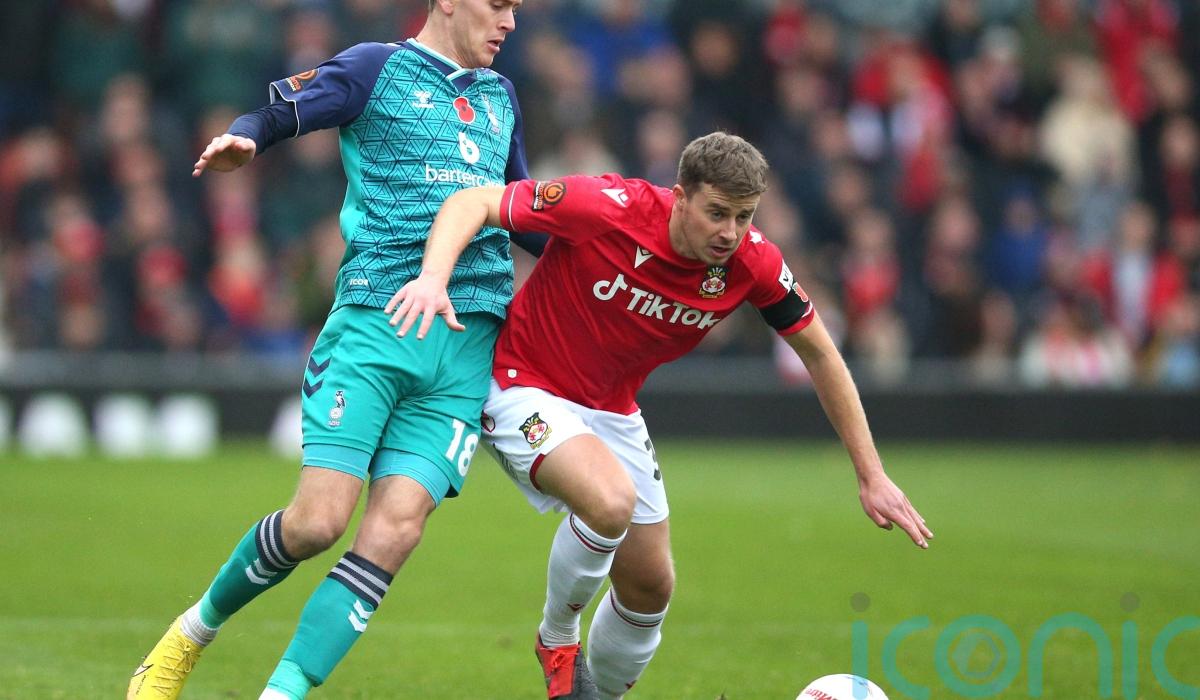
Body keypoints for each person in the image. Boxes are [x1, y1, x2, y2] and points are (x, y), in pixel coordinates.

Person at [387, 132, 934, 699]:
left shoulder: (752, 263)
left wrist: (871, 474)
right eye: (716, 213)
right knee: (609, 503)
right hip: (522, 384)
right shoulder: (604, 206)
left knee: (650, 584)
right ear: (679, 197)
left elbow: (820, 352)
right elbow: (474, 201)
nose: (730, 232)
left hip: (614, 409)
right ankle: (556, 638)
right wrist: (432, 278)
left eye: (743, 216)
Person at [128, 1, 543, 698]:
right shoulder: (376, 68)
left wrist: (612, 247)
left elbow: (523, 210)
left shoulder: (501, 97)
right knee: (317, 522)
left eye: (516, 9)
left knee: (396, 531)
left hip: (467, 347)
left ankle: (280, 694)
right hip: (377, 328)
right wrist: (244, 139)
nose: (509, 20)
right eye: (497, 3)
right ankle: (190, 634)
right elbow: (280, 110)